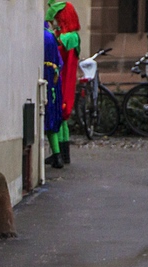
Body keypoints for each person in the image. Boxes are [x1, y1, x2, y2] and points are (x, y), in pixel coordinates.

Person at [45, 1, 81, 164]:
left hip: (59, 79)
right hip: (67, 79)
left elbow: (55, 51)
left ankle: (58, 154)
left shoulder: (64, 38)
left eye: (57, 21)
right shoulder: (74, 37)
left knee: (58, 114)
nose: (55, 25)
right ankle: (65, 155)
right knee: (63, 116)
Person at [44, 24, 65, 169]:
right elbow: (61, 62)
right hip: (55, 78)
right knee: (52, 115)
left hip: (45, 76)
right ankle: (58, 154)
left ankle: (57, 157)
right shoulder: (50, 35)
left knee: (45, 115)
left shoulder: (41, 35)